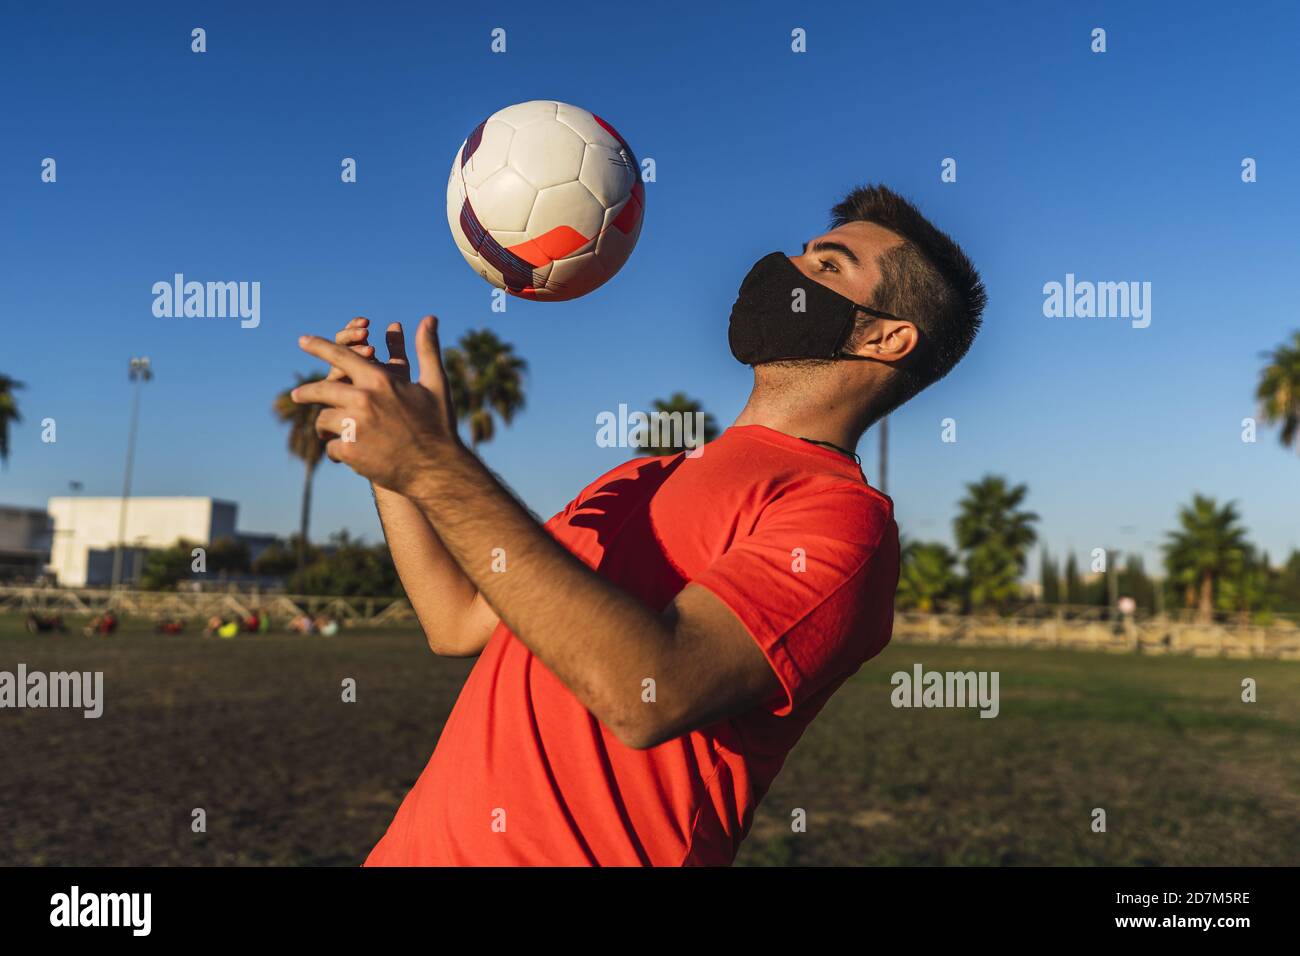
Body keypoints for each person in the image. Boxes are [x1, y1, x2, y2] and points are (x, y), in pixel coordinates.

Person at [293, 184, 986, 866]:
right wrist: (393, 472)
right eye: (804, 252)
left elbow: (649, 692)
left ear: (887, 337)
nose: (788, 266)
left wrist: (433, 465)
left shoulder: (842, 520)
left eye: (828, 265)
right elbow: (457, 623)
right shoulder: (643, 475)